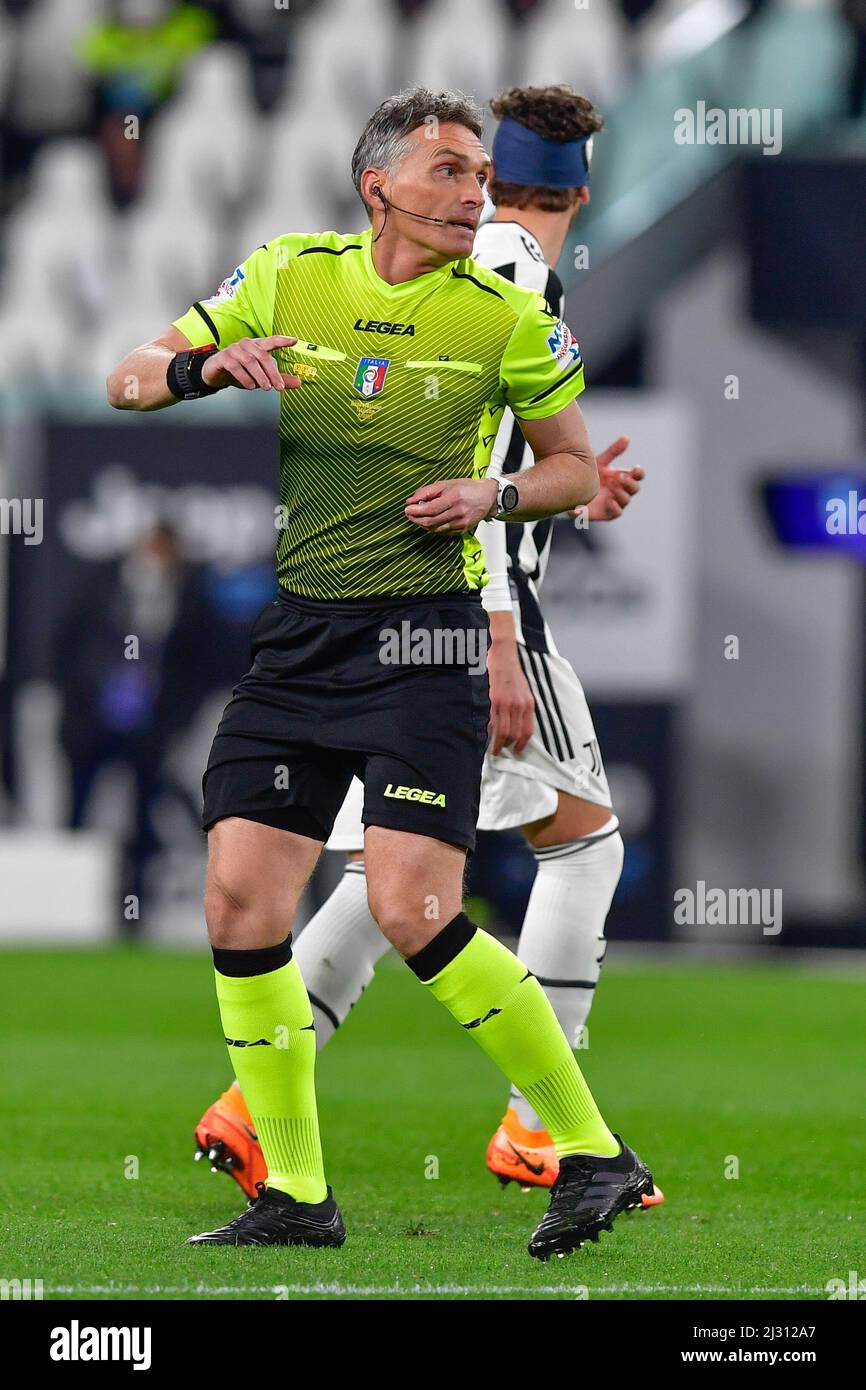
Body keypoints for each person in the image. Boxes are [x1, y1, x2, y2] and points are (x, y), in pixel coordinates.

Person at [107, 86, 655, 1258]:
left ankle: (585, 1149)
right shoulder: (289, 274)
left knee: (415, 904)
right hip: (300, 636)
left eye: (482, 175)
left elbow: (560, 466)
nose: (475, 194)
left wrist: (492, 494)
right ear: (380, 187)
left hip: (430, 636)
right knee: (240, 898)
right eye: (452, 173)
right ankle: (295, 1193)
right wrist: (208, 368)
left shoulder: (506, 318)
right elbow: (130, 376)